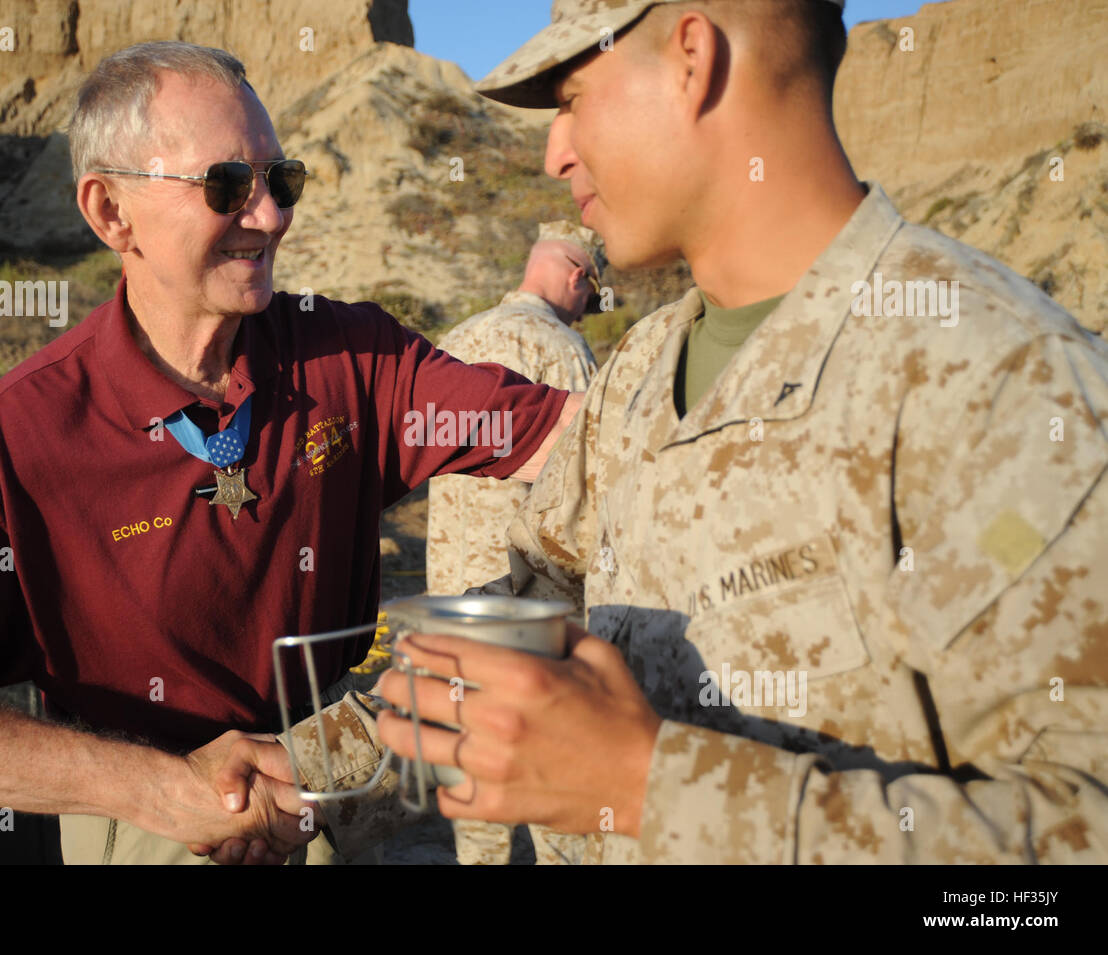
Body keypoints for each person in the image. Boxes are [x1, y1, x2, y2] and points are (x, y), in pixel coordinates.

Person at [282, 0, 1108, 864]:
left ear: (692, 58)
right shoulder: (639, 373)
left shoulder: (1002, 381)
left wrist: (649, 787)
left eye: (570, 98)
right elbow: (509, 636)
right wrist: (297, 776)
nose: (554, 151)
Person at [0, 41, 582, 866]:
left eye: (280, 180)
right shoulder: (28, 432)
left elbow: (569, 437)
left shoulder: (351, 355)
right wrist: (169, 790)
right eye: (227, 186)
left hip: (338, 784)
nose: (269, 216)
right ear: (112, 213)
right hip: (154, 823)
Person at [426, 220, 602, 864]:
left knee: (473, 773)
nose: (587, 305)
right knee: (553, 785)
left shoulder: (455, 340)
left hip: (453, 605)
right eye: (591, 291)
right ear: (578, 276)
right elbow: (590, 487)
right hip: (531, 604)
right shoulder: (566, 353)